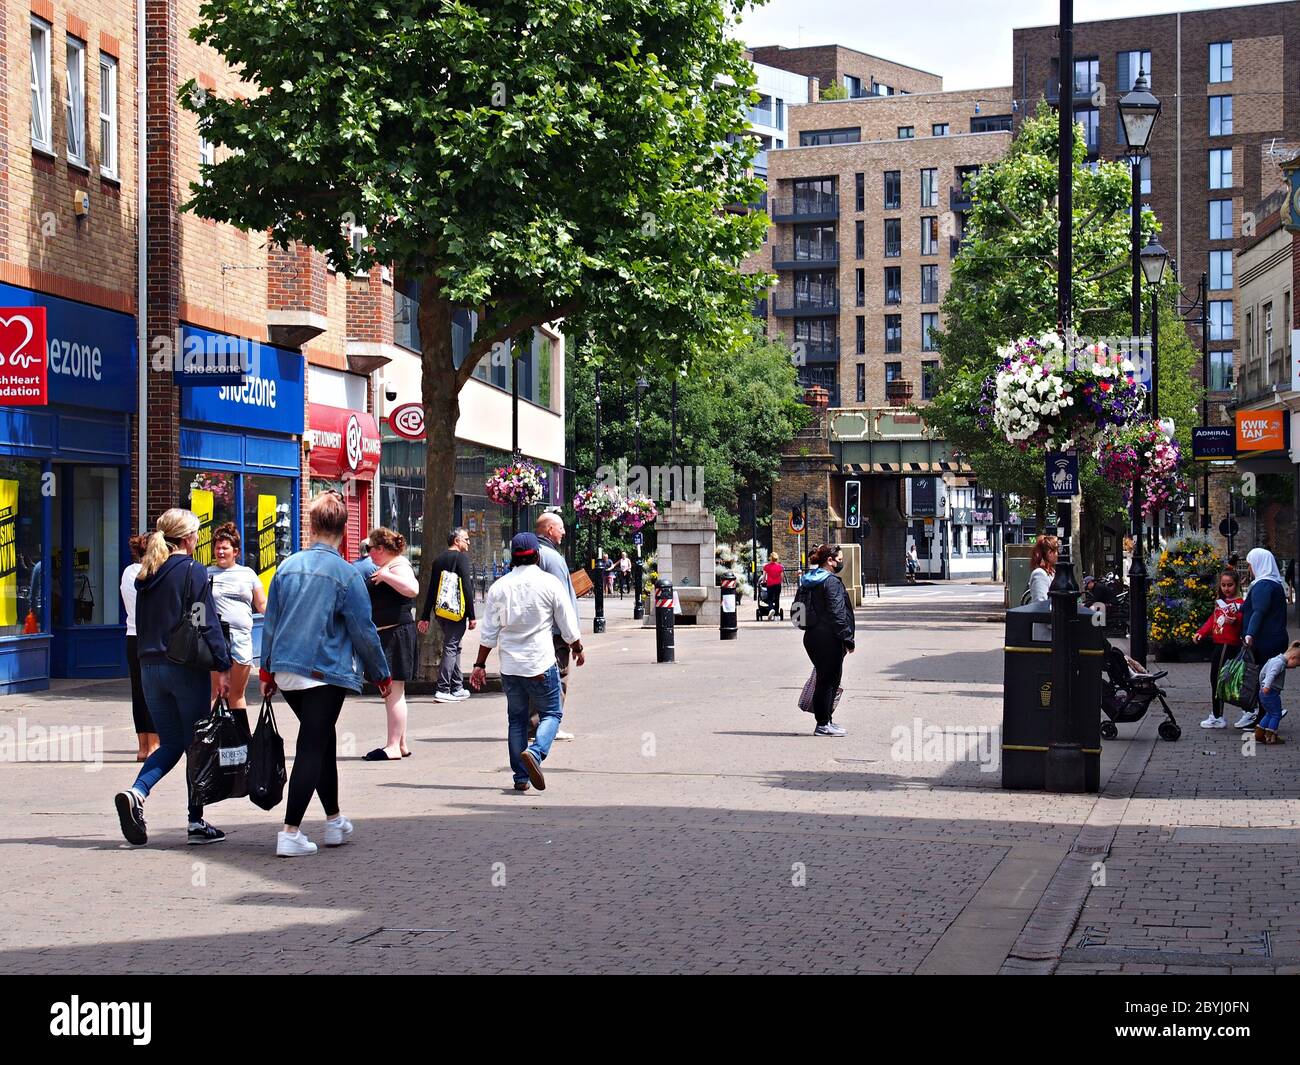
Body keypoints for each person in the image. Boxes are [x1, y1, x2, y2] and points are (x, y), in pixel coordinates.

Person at [259, 492, 392, 856]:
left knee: (322, 740)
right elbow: (363, 631)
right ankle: (290, 832)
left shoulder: (287, 567)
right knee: (312, 746)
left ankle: (334, 821)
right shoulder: (348, 575)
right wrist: (380, 673)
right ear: (344, 529)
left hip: (287, 669)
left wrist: (266, 669)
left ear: (312, 526)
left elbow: (271, 622)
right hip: (322, 671)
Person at [113, 509, 231, 848]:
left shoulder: (145, 573)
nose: (199, 539)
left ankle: (136, 793)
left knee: (171, 743)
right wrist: (222, 664)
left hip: (149, 668)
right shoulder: (192, 570)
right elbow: (203, 618)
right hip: (183, 667)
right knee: (195, 745)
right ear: (188, 538)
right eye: (197, 534)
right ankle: (196, 822)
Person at [470, 533, 585, 792]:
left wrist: (479, 665)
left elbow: (489, 632)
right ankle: (536, 752)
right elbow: (567, 625)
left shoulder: (499, 587)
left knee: (516, 720)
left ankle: (520, 778)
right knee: (552, 713)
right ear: (537, 555)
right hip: (540, 663)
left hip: (510, 667)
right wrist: (577, 647)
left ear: (513, 556)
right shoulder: (549, 583)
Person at [356, 527, 420, 761]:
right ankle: (400, 742)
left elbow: (413, 589)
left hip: (396, 634)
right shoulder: (390, 565)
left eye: (370, 549)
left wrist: (386, 577)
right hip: (390, 633)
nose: (368, 553)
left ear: (381, 549)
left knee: (393, 692)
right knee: (392, 692)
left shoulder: (398, 566)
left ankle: (393, 745)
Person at [207, 522, 267, 734]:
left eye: (225, 548)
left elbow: (262, 605)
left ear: (236, 552)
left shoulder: (248, 574)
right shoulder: (207, 574)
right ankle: (213, 740)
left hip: (241, 638)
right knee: (217, 691)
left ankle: (242, 740)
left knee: (235, 693)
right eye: (217, 547)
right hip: (215, 640)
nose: (220, 551)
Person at [797, 543, 855, 737]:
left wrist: (810, 626)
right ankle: (823, 723)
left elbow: (798, 613)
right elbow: (838, 612)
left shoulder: (806, 581)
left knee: (826, 678)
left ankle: (826, 721)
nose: (841, 563)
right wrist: (847, 638)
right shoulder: (831, 582)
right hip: (829, 637)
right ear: (829, 561)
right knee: (828, 680)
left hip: (812, 636)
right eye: (839, 559)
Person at [535, 512, 579, 740]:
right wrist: (572, 636)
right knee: (558, 677)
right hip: (556, 632)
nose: (563, 532)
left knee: (539, 676)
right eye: (560, 528)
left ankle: (535, 724)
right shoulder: (553, 558)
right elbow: (561, 601)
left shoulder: (536, 555)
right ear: (550, 529)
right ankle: (550, 726)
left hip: (540, 630)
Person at [419, 527, 476, 703]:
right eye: (466, 539)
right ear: (456, 541)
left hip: (441, 611)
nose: (468, 542)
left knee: (455, 646)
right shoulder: (461, 558)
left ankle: (457, 686)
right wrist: (472, 615)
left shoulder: (438, 560)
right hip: (456, 612)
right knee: (451, 646)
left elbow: (432, 590)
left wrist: (425, 616)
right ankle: (443, 688)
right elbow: (466, 587)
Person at [1236, 547, 1291, 729]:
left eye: (1251, 565)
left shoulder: (1263, 585)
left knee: (1263, 680)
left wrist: (1250, 634)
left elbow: (1258, 611)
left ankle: (1266, 715)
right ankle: (1267, 714)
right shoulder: (1274, 583)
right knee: (1269, 679)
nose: (1250, 569)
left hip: (1266, 640)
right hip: (1274, 638)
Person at [120, 534, 158, 762]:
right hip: (151, 637)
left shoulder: (127, 572)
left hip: (131, 636)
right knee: (154, 692)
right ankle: (155, 744)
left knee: (138, 692)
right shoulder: (152, 574)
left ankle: (143, 746)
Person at [1192, 569, 1244, 729]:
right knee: (1218, 680)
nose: (1226, 588)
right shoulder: (1220, 603)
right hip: (1220, 643)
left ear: (1236, 585)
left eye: (1230, 585)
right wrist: (1201, 632)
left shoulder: (1239, 604)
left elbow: (1241, 620)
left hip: (1227, 645)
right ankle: (1218, 714)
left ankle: (1217, 715)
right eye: (1223, 585)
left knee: (1218, 679)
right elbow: (1212, 620)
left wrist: (1234, 620)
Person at [1256, 640, 1300, 745]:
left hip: (1263, 692)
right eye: (1297, 664)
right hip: (1270, 692)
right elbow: (1271, 675)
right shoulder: (1279, 663)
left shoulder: (1275, 659)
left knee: (1269, 714)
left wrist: (1262, 686)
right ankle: (1271, 737)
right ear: (1293, 658)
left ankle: (1259, 733)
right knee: (1276, 714)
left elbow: (1263, 673)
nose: (1294, 667)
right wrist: (1266, 686)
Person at [1027, 535, 1059, 603]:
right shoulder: (1039, 574)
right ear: (1049, 553)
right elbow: (1040, 603)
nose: (1057, 554)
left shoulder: (1052, 572)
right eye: (1056, 551)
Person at [763, 551, 785, 615]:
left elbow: (764, 576)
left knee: (770, 598)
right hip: (778, 585)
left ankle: (771, 609)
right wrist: (781, 582)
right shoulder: (780, 566)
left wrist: (764, 581)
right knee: (777, 598)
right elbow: (782, 576)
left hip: (770, 584)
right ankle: (777, 612)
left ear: (770, 558)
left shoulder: (766, 566)